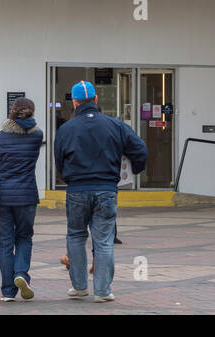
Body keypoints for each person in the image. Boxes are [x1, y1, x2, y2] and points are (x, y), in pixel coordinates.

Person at [52, 81, 147, 302]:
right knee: (103, 240)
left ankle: (79, 287)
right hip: (106, 189)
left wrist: (68, 177)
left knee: (75, 236)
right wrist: (136, 168)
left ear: (74, 103)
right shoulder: (115, 125)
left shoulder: (66, 129)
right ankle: (103, 291)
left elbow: (58, 160)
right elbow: (140, 149)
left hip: (76, 189)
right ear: (95, 100)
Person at [0, 97, 44, 302]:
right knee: (24, 237)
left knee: (5, 242)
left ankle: (7, 292)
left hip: (1, 199)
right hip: (27, 197)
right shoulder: (37, 136)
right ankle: (21, 273)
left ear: (12, 112)